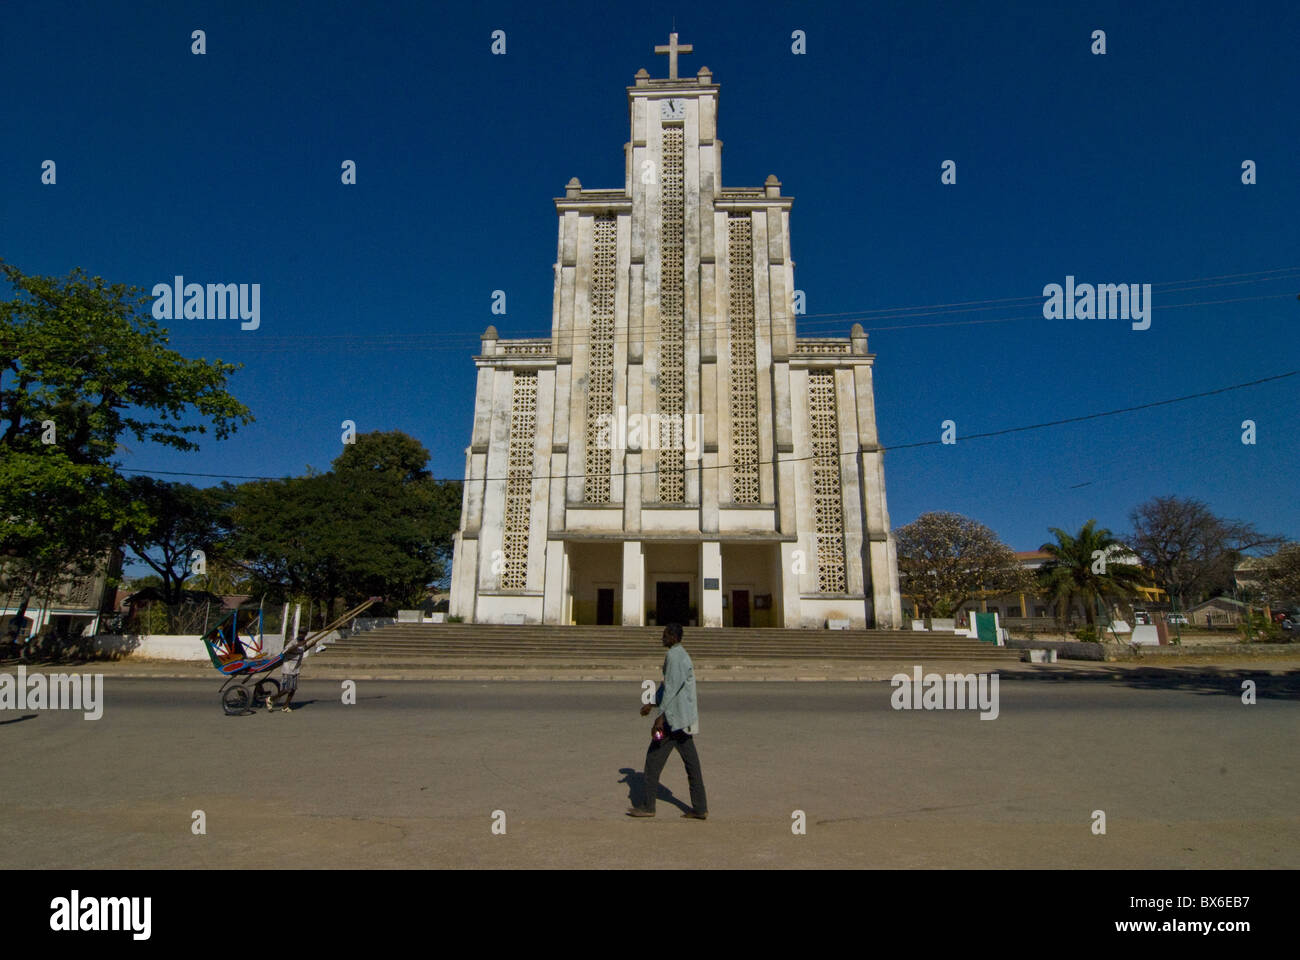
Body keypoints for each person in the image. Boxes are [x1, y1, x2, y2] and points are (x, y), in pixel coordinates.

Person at [628, 622, 708, 820]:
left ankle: (648, 806)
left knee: (652, 761)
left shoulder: (674, 656)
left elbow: (671, 690)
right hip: (682, 720)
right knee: (692, 764)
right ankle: (700, 808)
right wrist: (652, 702)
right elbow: (668, 685)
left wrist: (660, 718)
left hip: (672, 721)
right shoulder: (679, 655)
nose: (662, 638)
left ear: (673, 636)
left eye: (665, 635)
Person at [268, 628, 308, 713]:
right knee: (287, 689)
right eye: (300, 633)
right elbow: (284, 652)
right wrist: (298, 645)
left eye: (303, 633)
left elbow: (304, 650)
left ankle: (285, 706)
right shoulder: (293, 642)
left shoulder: (304, 643)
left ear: (305, 634)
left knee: (293, 689)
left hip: (296, 669)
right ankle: (270, 699)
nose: (301, 635)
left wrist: (311, 644)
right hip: (288, 668)